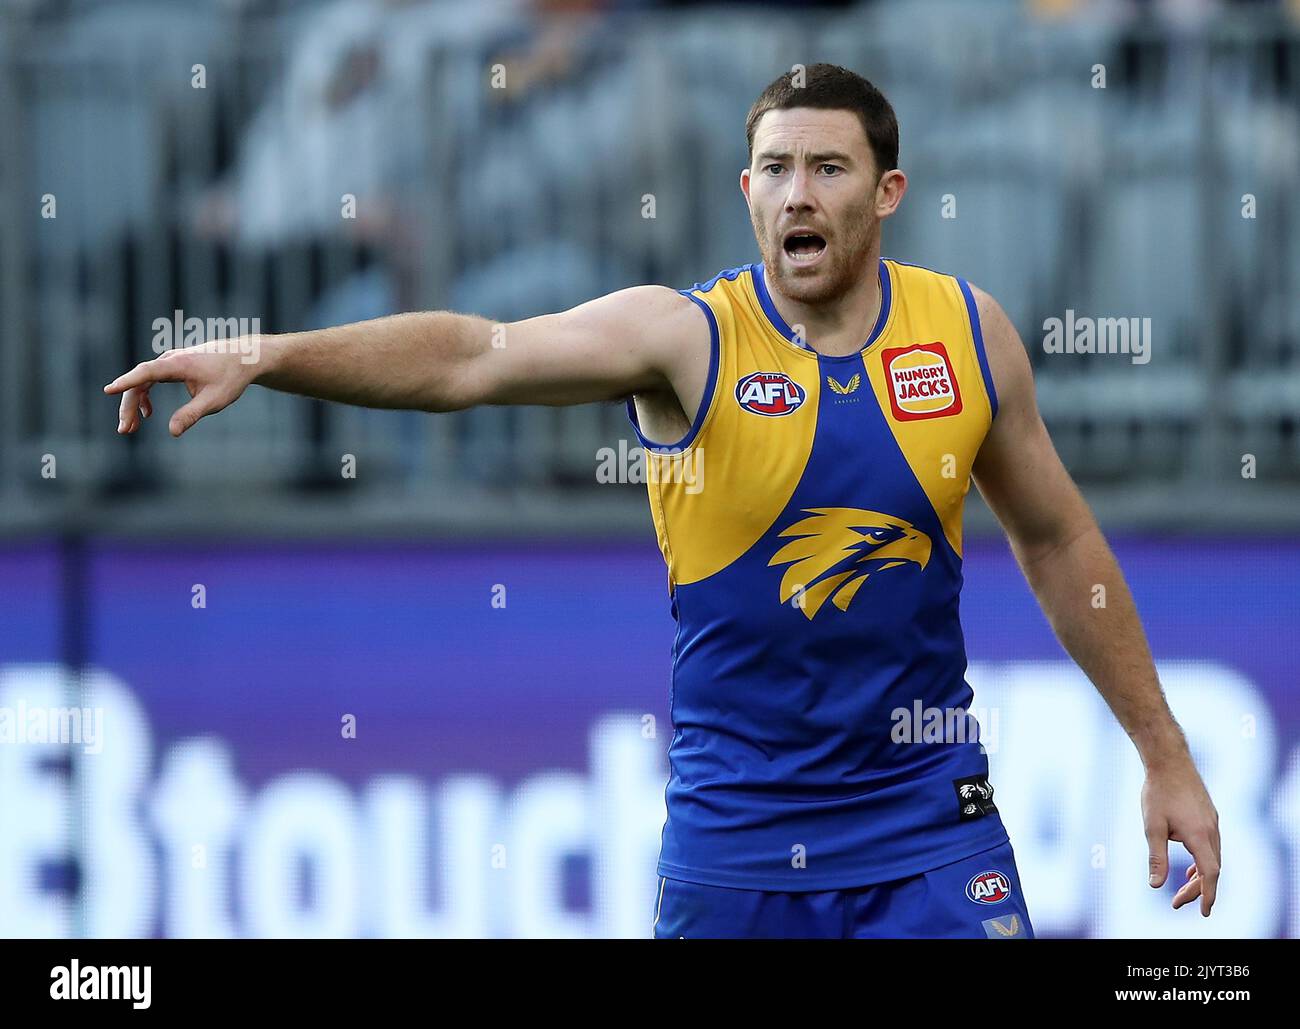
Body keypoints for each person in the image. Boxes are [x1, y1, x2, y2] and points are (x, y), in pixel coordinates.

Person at [104, 63, 1220, 939]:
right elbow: (469, 360)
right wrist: (272, 351)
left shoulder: (969, 334)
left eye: (827, 168)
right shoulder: (681, 339)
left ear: (887, 192)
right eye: (774, 168)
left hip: (927, 835)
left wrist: (1163, 753)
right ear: (745, 191)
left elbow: (1057, 535)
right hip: (736, 851)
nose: (797, 192)